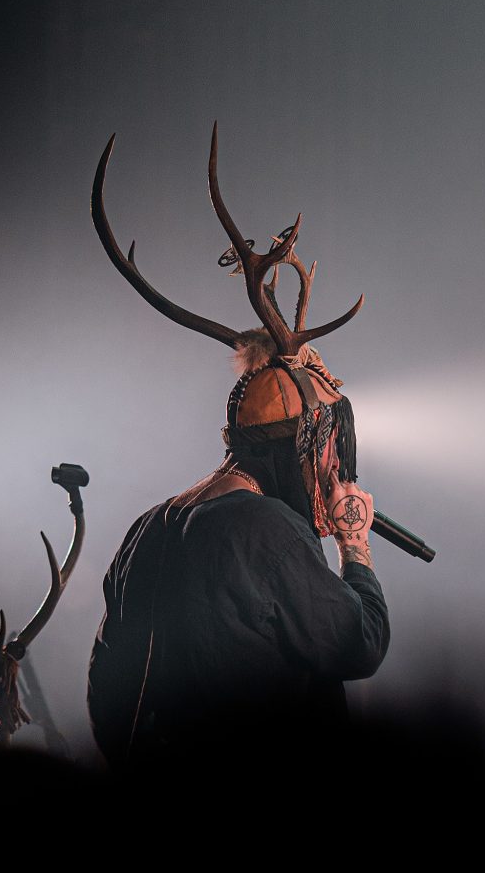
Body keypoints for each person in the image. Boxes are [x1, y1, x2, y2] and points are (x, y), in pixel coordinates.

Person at [87, 128, 390, 764]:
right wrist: (355, 544)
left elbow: (106, 690)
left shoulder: (151, 525)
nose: (333, 466)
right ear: (302, 448)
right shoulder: (265, 530)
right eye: (325, 449)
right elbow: (359, 645)